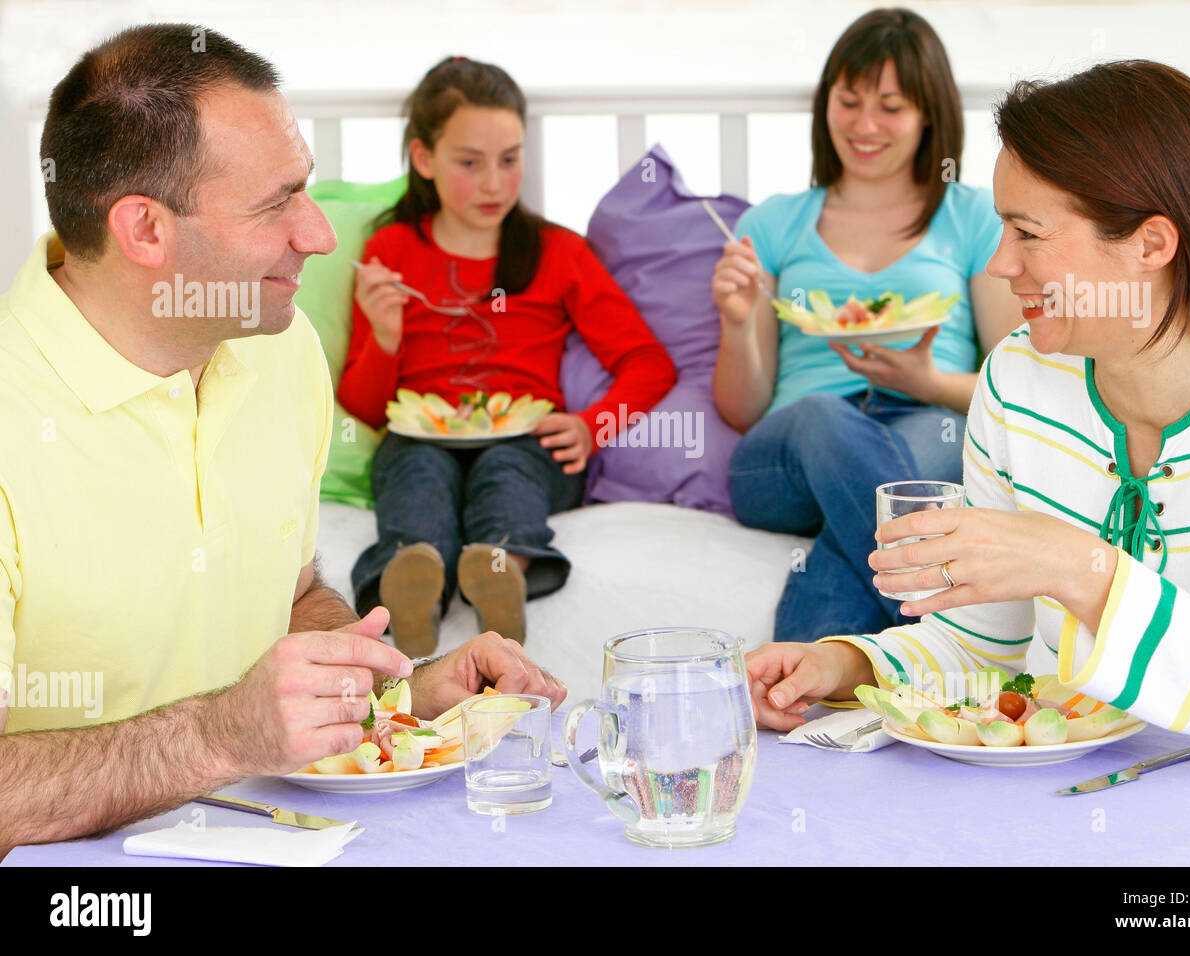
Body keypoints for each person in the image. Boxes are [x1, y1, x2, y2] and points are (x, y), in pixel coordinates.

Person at [0, 24, 566, 857]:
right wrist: (218, 738)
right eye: (277, 204)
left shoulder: (280, 345)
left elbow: (290, 593)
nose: (321, 234)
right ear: (145, 231)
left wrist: (396, 695)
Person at [745, 59, 1190, 771]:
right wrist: (844, 666)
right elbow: (981, 644)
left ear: (1150, 245)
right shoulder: (1018, 377)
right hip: (1052, 799)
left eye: (1027, 233)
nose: (1002, 264)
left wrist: (1081, 568)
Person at [339, 57, 675, 655]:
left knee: (507, 473)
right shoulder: (390, 249)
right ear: (424, 159)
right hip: (421, 434)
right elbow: (364, 408)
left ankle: (504, 572)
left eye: (510, 159)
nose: (494, 183)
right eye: (469, 163)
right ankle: (414, 581)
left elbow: (649, 362)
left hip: (526, 437)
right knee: (415, 474)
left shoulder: (558, 251)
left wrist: (592, 426)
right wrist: (386, 337)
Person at [712, 8, 1022, 643]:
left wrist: (931, 383)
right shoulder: (774, 223)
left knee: (902, 484)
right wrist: (738, 322)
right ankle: (954, 635)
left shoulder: (974, 218)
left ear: (929, 113)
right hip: (792, 449)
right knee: (833, 422)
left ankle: (809, 683)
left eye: (891, 106)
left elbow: (1013, 383)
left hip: (924, 420)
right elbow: (744, 411)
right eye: (848, 101)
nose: (864, 125)